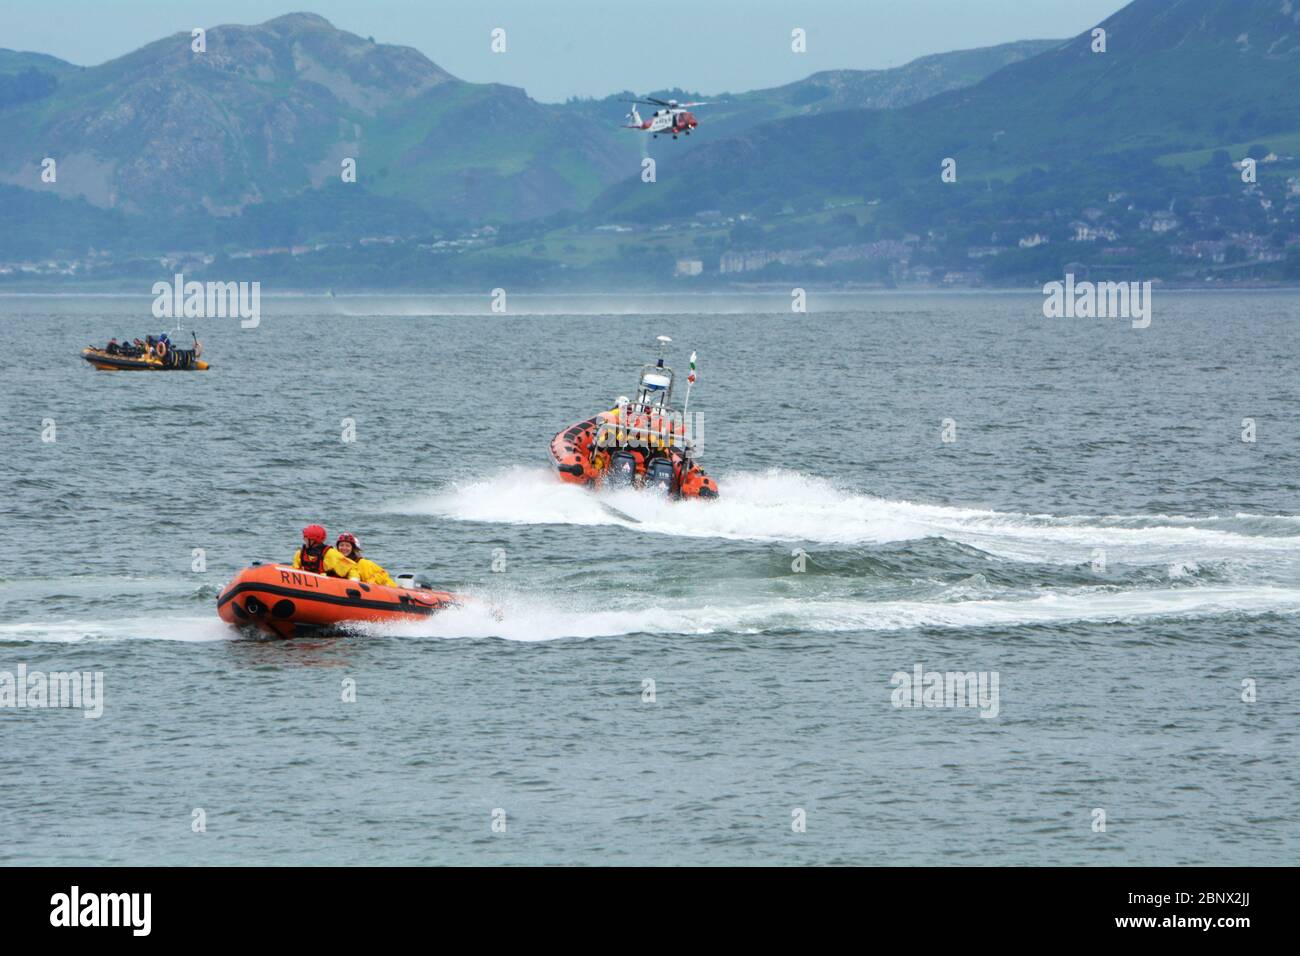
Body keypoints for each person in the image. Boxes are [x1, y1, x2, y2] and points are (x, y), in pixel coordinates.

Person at [292, 524, 359, 579]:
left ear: (313, 540)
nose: (304, 539)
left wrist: (354, 580)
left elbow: (351, 567)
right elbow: (295, 570)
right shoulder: (300, 553)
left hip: (325, 586)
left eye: (306, 537)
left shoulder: (329, 553)